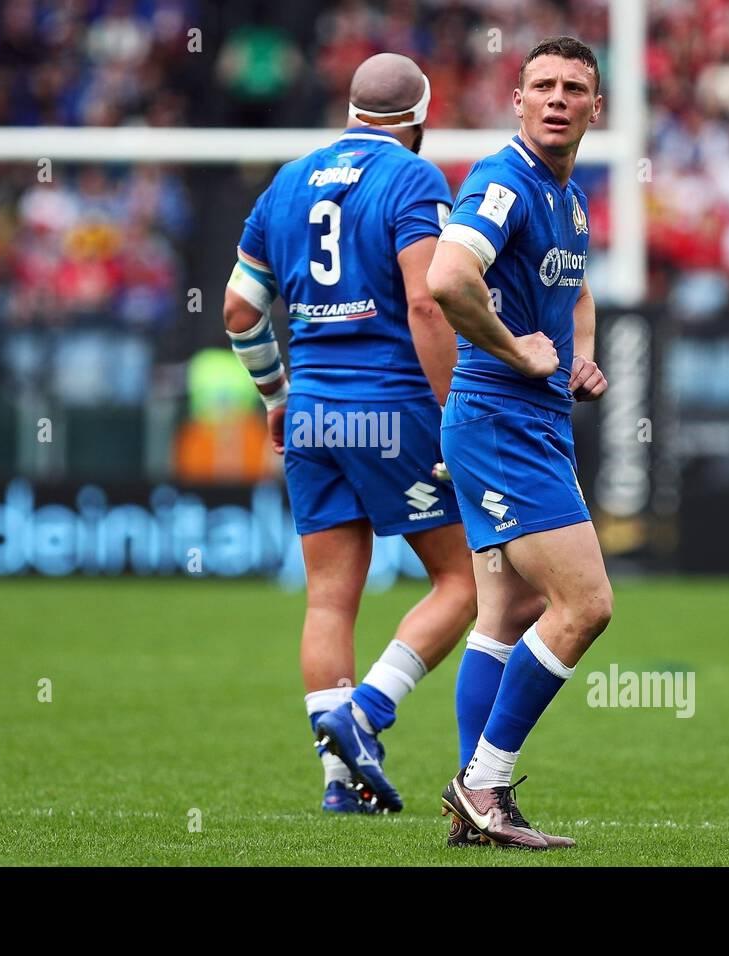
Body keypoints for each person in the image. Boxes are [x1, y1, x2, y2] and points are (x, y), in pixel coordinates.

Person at [222, 53, 476, 814]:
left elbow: (238, 310)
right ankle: (366, 713)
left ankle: (341, 786)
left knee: (330, 601)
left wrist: (276, 392)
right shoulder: (412, 177)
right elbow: (429, 304)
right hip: (392, 405)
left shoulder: (287, 182)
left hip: (312, 415)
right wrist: (454, 411)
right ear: (420, 119)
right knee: (464, 584)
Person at [426, 36, 612, 848]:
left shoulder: (565, 198)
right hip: (502, 422)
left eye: (574, 87)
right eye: (542, 85)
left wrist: (580, 354)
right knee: (587, 605)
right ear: (518, 100)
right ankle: (484, 785)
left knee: (508, 611)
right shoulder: (505, 180)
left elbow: (574, 289)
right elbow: (445, 277)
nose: (558, 98)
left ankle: (475, 807)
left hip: (519, 420)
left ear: (595, 107)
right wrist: (515, 348)